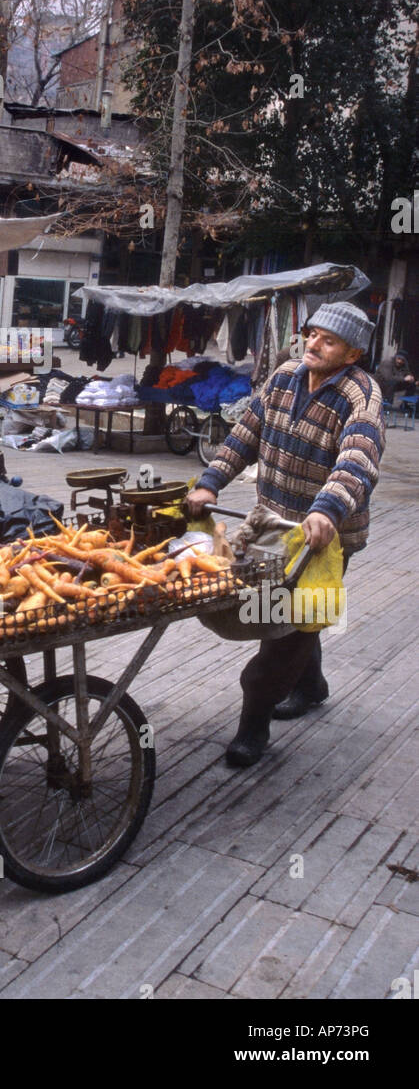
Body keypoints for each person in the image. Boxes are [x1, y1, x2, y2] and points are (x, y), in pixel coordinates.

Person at [184, 302, 385, 769]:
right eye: (312, 334)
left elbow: (358, 459)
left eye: (327, 340)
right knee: (294, 615)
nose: (313, 344)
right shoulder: (284, 376)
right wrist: (211, 480)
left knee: (284, 627)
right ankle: (311, 685)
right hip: (272, 525)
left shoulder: (362, 396)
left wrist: (328, 509)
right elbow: (244, 435)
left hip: (324, 536)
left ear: (352, 354)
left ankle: (253, 726)